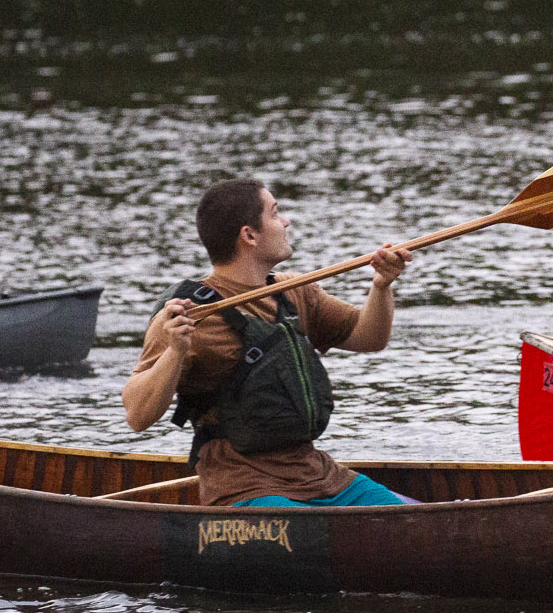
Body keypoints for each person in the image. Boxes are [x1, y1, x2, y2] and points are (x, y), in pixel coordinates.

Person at [124, 178, 414, 507]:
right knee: (323, 536)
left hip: (320, 476)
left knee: (414, 519)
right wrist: (175, 351)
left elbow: (370, 337)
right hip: (244, 487)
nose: (286, 221)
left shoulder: (295, 290)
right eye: (275, 213)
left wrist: (382, 286)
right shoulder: (189, 314)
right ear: (249, 234)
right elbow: (137, 415)